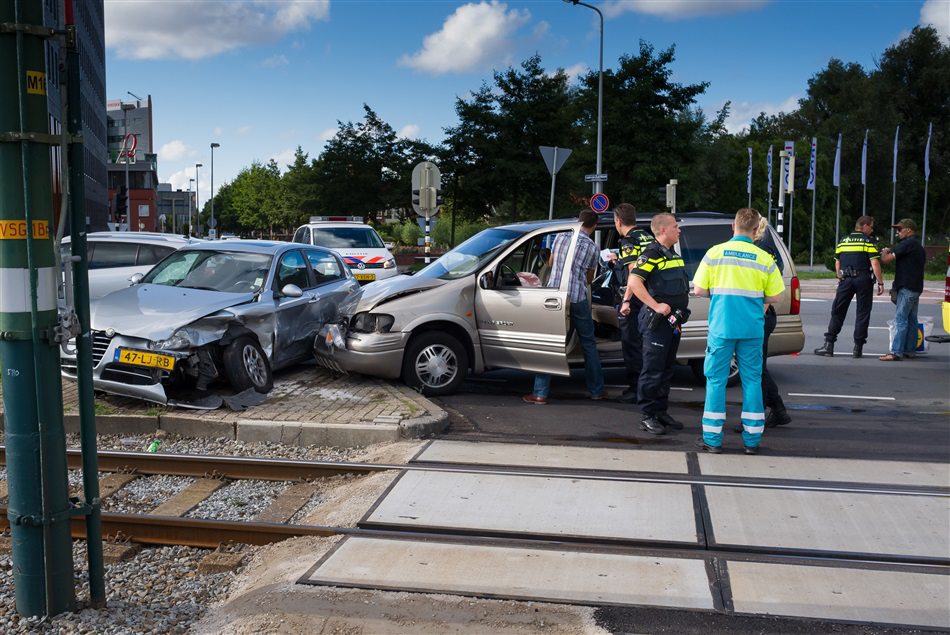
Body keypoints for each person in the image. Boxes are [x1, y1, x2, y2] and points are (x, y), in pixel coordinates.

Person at [693, 208, 785, 454]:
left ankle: (712, 440)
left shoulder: (715, 253)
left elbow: (699, 290)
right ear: (756, 231)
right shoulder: (764, 258)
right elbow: (775, 296)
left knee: (715, 380)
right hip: (752, 328)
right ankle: (752, 441)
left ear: (733, 226)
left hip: (722, 327)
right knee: (752, 380)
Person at [524, 210, 606, 404]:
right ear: (594, 227)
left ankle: (540, 394)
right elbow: (589, 278)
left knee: (550, 343)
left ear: (578, 221)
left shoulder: (560, 237)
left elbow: (551, 263)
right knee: (589, 344)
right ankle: (597, 391)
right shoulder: (593, 248)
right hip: (577, 298)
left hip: (555, 298)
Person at [622, 213, 689, 435]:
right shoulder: (651, 253)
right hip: (657, 323)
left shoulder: (672, 254)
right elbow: (634, 281)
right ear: (662, 230)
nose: (678, 230)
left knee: (667, 368)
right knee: (652, 370)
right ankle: (647, 415)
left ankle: (661, 411)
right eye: (674, 227)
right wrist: (656, 305)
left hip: (673, 322)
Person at [733, 217, 791, 433]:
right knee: (756, 367)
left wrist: (755, 318)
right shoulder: (764, 247)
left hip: (758, 315)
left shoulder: (762, 250)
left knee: (754, 369)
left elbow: (769, 292)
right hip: (755, 315)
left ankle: (756, 416)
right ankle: (776, 409)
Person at [814, 216, 884, 358]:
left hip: (846, 279)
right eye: (871, 226)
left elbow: (837, 262)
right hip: (863, 279)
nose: (872, 229)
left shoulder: (843, 240)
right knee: (863, 312)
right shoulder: (868, 241)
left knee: (838, 310)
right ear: (864, 226)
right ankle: (857, 348)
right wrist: (881, 282)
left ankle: (829, 345)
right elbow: (875, 263)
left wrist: (839, 276)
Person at [613, 203, 654, 404]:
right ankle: (646, 387)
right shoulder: (647, 236)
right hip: (650, 295)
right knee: (646, 342)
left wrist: (626, 300)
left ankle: (635, 388)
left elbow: (633, 273)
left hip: (636, 298)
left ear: (618, 221)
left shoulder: (628, 241)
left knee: (632, 343)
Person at [879, 218, 926, 361]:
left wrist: (884, 252)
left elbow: (886, 260)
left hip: (906, 287)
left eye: (900, 229)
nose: (897, 232)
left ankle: (896, 352)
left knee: (900, 320)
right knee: (911, 320)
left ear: (908, 230)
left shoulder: (907, 244)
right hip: (915, 287)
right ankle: (910, 350)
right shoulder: (917, 246)